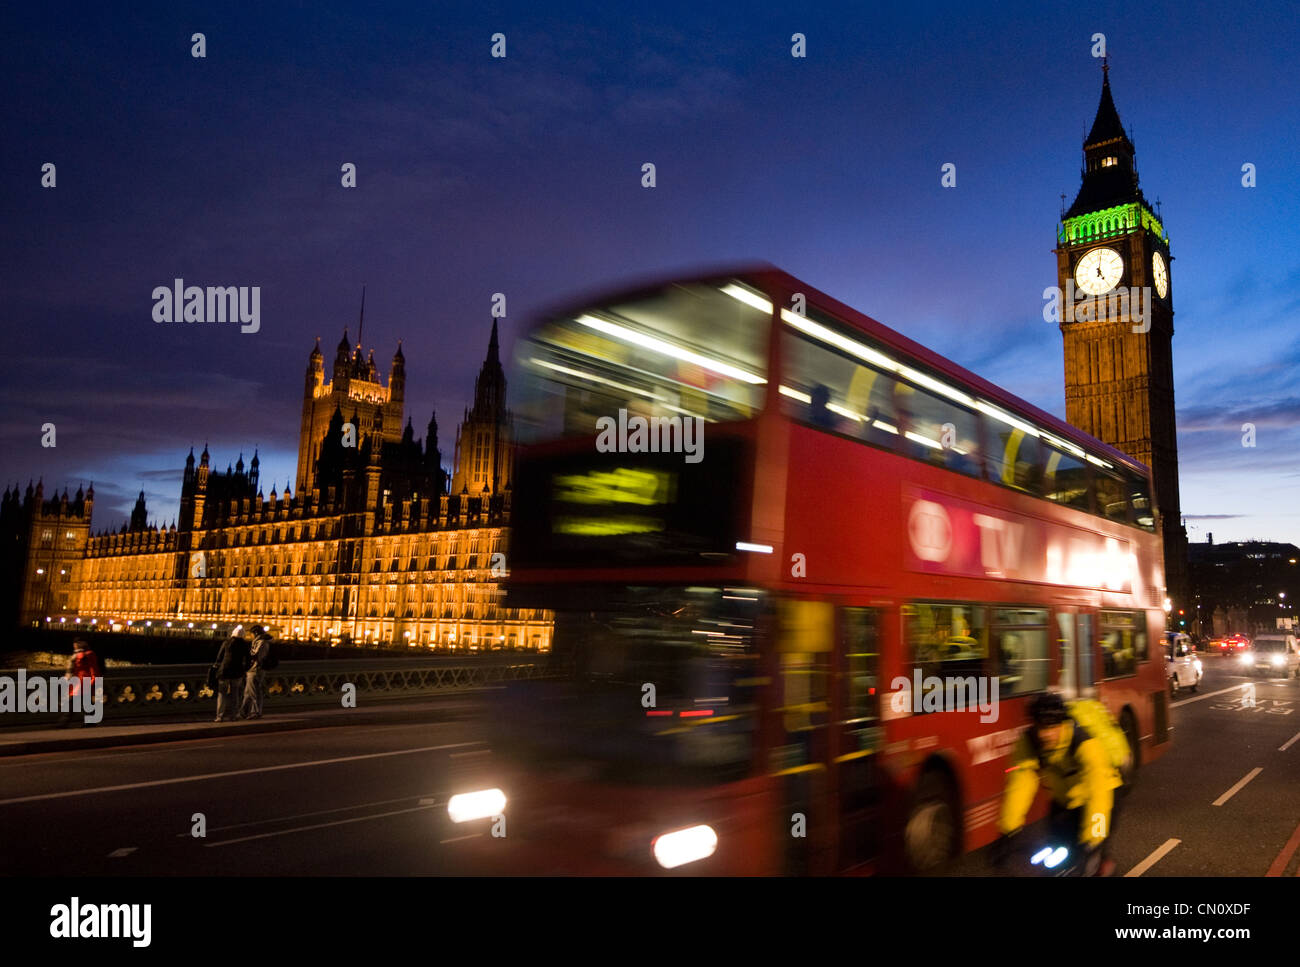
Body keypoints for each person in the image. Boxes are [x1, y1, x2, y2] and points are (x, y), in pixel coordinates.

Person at [992, 692, 1123, 876]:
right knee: (1055, 850)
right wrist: (1008, 830)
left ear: (1063, 723)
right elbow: (1019, 785)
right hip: (1064, 798)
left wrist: (1093, 841)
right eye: (1041, 727)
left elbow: (1099, 791)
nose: (1046, 734)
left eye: (1052, 727)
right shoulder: (1029, 741)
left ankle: (1103, 866)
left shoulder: (1083, 743)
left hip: (1103, 792)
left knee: (1089, 861)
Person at [60, 639, 102, 727]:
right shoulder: (84, 655)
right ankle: (91, 721)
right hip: (80, 682)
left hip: (82, 682)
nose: (74, 646)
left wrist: (93, 680)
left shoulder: (84, 655)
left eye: (75, 645)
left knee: (74, 702)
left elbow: (92, 669)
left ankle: (64, 722)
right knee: (84, 702)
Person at [212, 631, 250, 722]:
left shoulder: (226, 642)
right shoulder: (244, 644)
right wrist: (244, 669)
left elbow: (219, 657)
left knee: (222, 694)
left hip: (224, 671)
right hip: (237, 672)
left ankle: (219, 716)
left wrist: (217, 665)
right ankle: (233, 715)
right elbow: (248, 659)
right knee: (235, 694)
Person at [239, 625, 273, 720]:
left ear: (256, 633)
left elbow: (258, 656)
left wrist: (248, 656)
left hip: (256, 669)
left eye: (252, 634)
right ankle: (243, 712)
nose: (251, 636)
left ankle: (256, 712)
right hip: (252, 669)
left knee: (254, 692)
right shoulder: (259, 642)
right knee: (248, 692)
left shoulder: (262, 642)